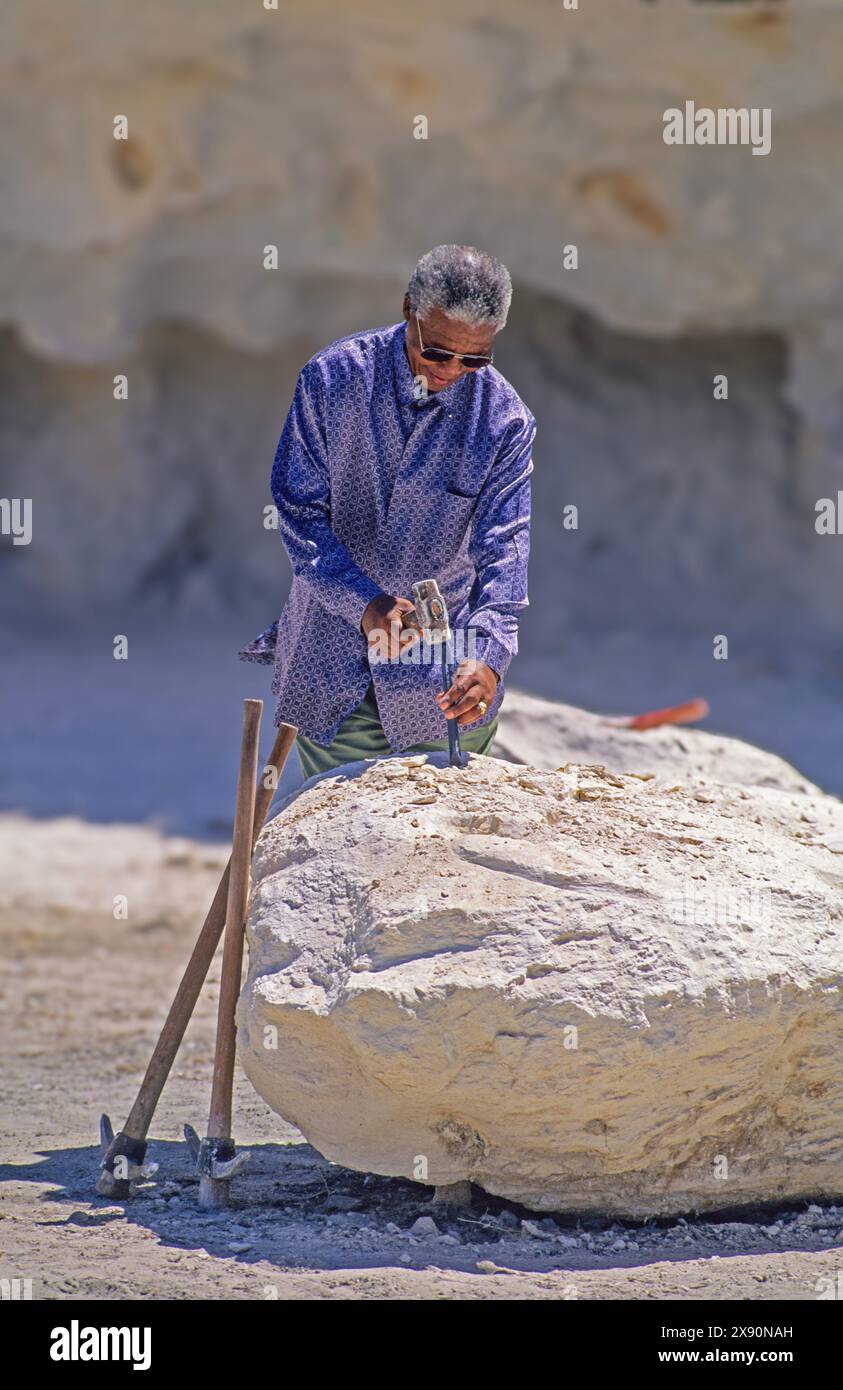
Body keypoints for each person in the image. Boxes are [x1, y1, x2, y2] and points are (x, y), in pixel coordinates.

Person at [239, 244, 536, 781]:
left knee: (441, 855)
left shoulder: (504, 421)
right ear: (408, 311)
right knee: (346, 845)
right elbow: (300, 513)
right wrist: (365, 604)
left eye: (475, 359)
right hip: (331, 670)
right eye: (438, 352)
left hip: (444, 685)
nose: (452, 371)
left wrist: (489, 657)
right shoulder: (331, 381)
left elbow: (505, 548)